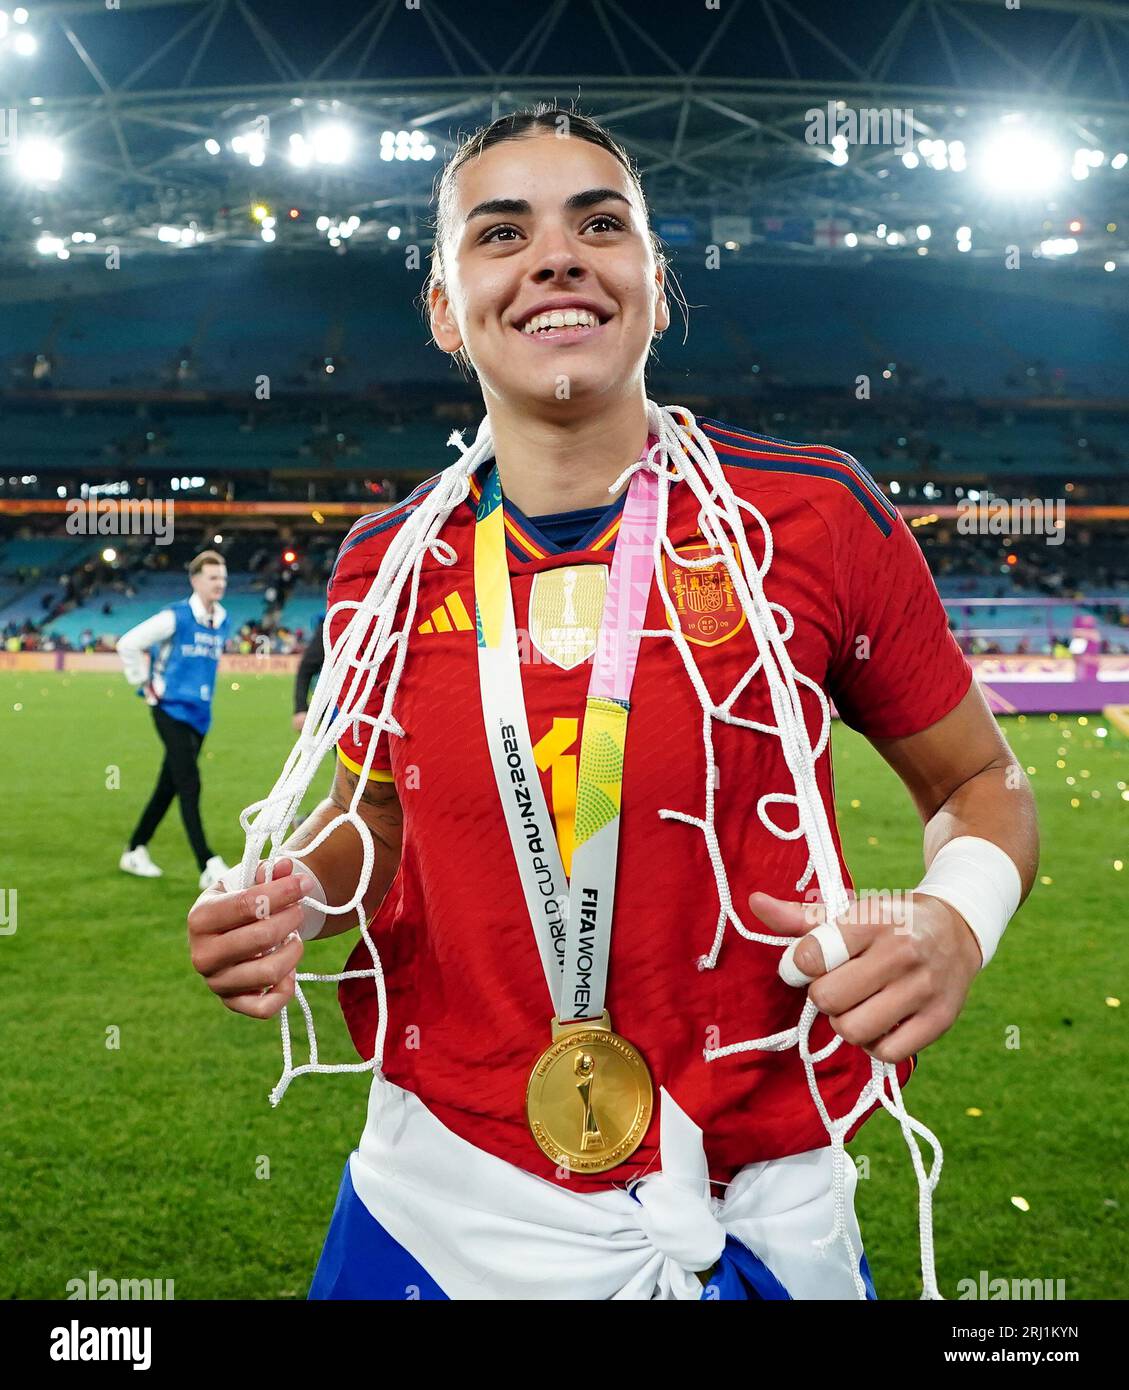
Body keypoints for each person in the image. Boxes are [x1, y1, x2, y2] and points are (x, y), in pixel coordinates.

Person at [187, 105, 1039, 1300]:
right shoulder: (385, 561)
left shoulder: (810, 516)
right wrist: (303, 893)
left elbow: (977, 782)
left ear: (652, 280)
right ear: (444, 307)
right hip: (437, 1184)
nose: (555, 255)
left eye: (599, 223)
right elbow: (374, 821)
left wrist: (956, 919)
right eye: (500, 232)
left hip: (751, 1191)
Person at [118, 550, 231, 889]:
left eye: (223, 577)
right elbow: (129, 643)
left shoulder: (223, 619)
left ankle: (135, 849)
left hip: (200, 715)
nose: (220, 583)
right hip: (169, 710)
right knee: (189, 784)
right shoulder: (175, 617)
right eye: (213, 577)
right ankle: (207, 863)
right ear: (195, 581)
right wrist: (144, 684)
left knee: (168, 786)